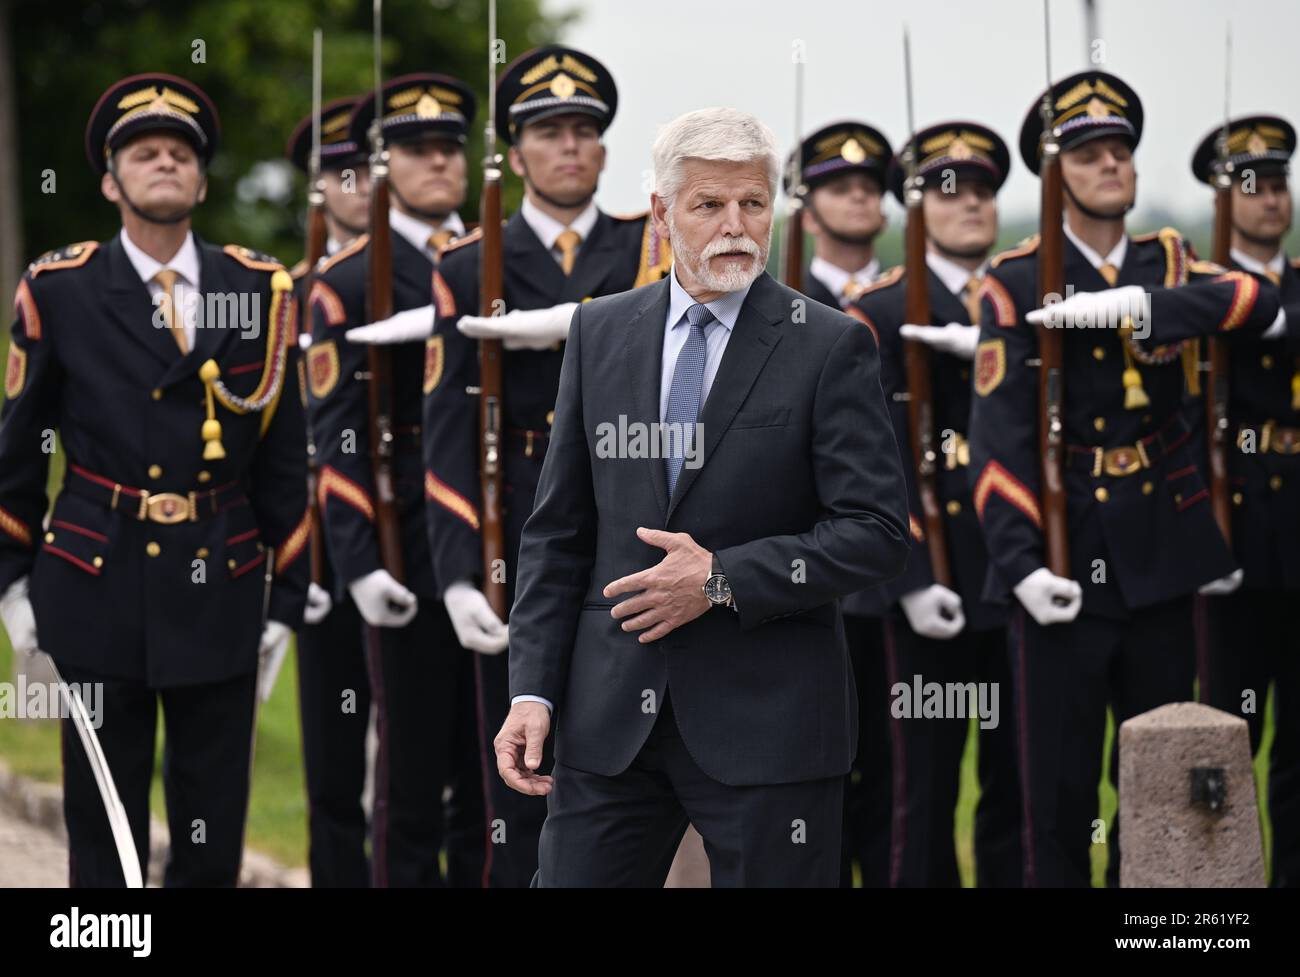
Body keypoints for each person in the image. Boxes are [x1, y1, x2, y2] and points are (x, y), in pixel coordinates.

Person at [495, 106, 911, 887]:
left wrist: (720, 577)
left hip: (771, 727)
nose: (735, 226)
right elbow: (558, 536)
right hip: (610, 719)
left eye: (753, 204)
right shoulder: (599, 333)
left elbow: (876, 531)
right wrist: (531, 690)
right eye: (709, 205)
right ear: (662, 212)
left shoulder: (830, 343)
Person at [352, 45, 671, 888]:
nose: (570, 148)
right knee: (518, 778)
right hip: (519, 525)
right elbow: (448, 427)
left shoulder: (649, 251)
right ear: (517, 152)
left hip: (627, 516)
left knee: (628, 774)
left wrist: (579, 320)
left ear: (604, 149)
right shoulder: (467, 265)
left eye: (584, 132)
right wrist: (458, 571)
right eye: (548, 132)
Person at [967, 71, 1280, 887]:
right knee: (1059, 798)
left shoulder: (1167, 259)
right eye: (1088, 154)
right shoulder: (1014, 278)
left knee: (1170, 783)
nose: (1111, 166)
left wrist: (1147, 307)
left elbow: (1260, 299)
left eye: (1121, 151)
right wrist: (1021, 564)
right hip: (1064, 560)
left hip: (1161, 556)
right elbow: (997, 439)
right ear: (1055, 173)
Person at [0, 72, 308, 886]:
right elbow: (19, 445)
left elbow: (284, 452)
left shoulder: (259, 289)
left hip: (223, 577)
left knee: (211, 829)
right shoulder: (59, 288)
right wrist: (10, 582)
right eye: (143, 152)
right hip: (93, 580)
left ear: (202, 180)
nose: (165, 162)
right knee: (102, 827)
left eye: (181, 152)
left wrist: (290, 592)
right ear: (110, 180)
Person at [304, 72, 482, 887]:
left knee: (491, 775)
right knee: (408, 782)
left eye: (450, 146)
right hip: (402, 534)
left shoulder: (496, 259)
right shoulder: (342, 283)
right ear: (382, 166)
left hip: (495, 530)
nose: (438, 163)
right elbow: (333, 435)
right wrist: (361, 561)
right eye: (417, 149)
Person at [845, 121, 1020, 887]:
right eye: (951, 192)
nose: (972, 205)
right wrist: (911, 577)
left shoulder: (1027, 296)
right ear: (914, 211)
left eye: (983, 189)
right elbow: (868, 463)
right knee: (925, 784)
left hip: (1018, 573)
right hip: (931, 580)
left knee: (1023, 774)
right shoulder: (878, 312)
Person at [1189, 115, 1300, 888]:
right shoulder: (1200, 291)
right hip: (1228, 540)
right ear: (1224, 197)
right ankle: (1209, 886)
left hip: (1294, 536)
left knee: (1295, 752)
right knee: (1221, 740)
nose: (1271, 199)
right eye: (1253, 185)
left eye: (1280, 183)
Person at [283, 95, 372, 887]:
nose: (361, 185)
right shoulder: (287, 294)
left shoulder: (439, 273)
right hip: (319, 549)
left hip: (414, 535)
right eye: (342, 174)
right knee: (333, 765)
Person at [787, 121, 891, 309]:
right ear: (808, 218)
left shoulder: (911, 300)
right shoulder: (786, 302)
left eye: (870, 189)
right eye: (840, 190)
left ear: (884, 218)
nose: (859, 196)